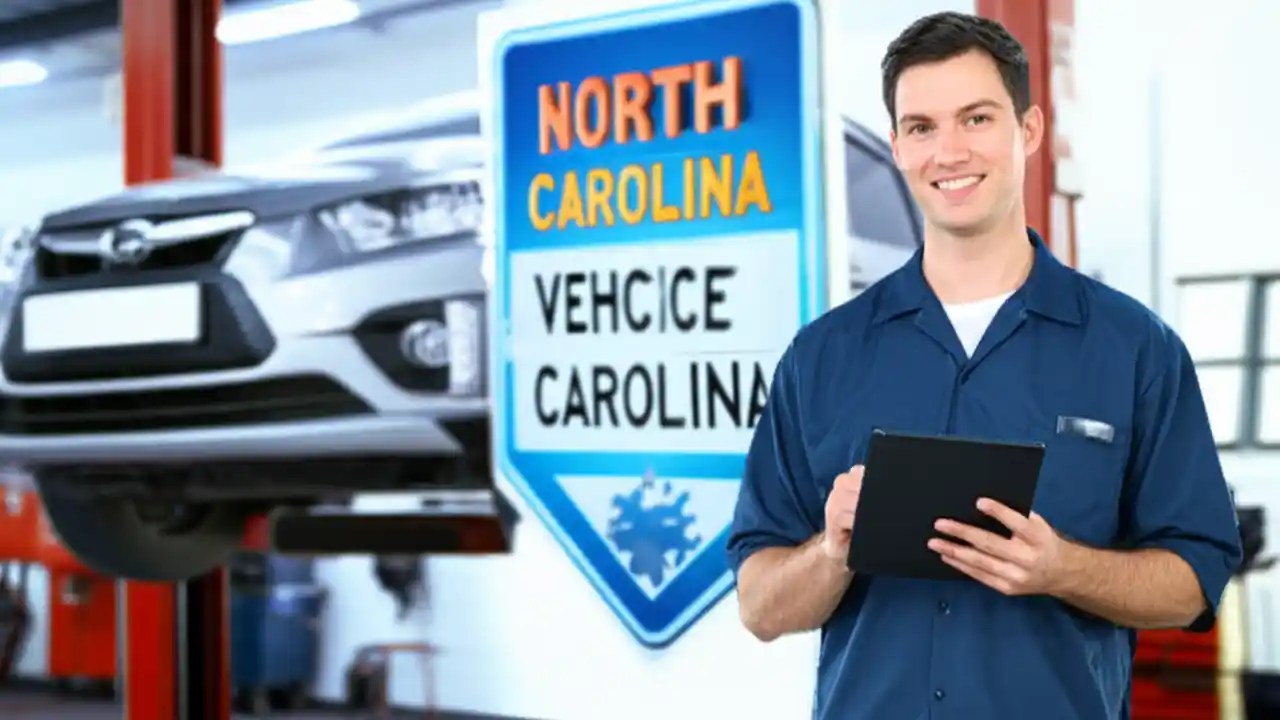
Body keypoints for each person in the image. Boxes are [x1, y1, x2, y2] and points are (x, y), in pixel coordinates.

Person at [726, 11, 1242, 720]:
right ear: (898, 147)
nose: (949, 151)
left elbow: (1196, 579)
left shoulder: (1135, 350)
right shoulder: (822, 357)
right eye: (921, 127)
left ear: (1026, 130)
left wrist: (1064, 569)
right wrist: (831, 549)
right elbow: (759, 606)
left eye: (975, 118)